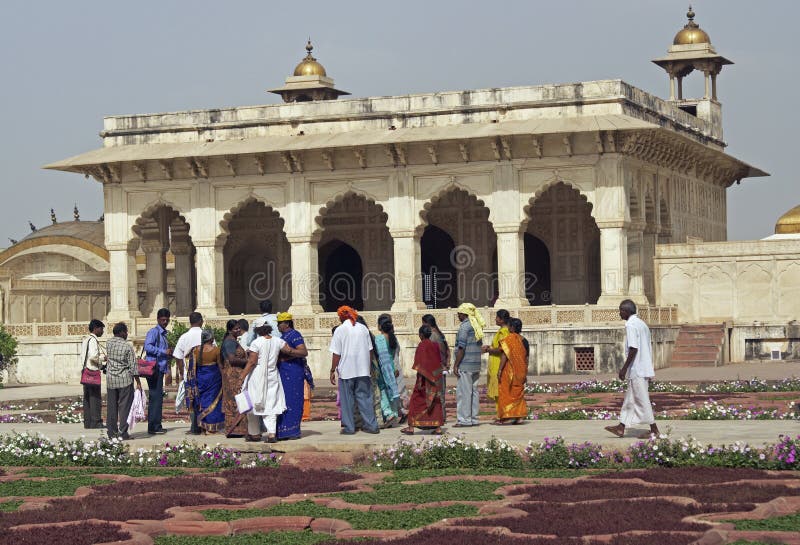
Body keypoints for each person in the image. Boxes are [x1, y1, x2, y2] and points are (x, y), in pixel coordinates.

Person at [605, 299, 661, 439]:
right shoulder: (642, 324)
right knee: (630, 399)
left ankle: (654, 430)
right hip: (643, 367)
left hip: (638, 369)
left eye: (621, 310)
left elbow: (634, 348)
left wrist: (624, 368)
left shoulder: (630, 324)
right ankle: (621, 427)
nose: (619, 313)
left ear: (627, 311)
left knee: (642, 399)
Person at [242, 323, 298, 443]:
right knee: (271, 403)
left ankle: (254, 433)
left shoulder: (256, 343)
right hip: (272, 375)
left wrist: (242, 376)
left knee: (252, 403)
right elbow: (289, 350)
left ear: (257, 330)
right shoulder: (278, 341)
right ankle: (271, 434)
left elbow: (252, 362)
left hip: (257, 376)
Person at [329, 306, 379, 435]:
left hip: (346, 371)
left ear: (341, 317)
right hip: (363, 370)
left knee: (347, 401)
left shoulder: (340, 330)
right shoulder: (363, 329)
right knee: (365, 398)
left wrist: (332, 369)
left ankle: (349, 427)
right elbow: (370, 350)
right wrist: (367, 367)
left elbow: (336, 353)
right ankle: (371, 426)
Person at [401, 325, 445, 435]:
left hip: (424, 380)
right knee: (435, 402)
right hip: (434, 379)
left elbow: (420, 364)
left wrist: (421, 380)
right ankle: (438, 427)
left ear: (421, 335)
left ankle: (411, 427)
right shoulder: (435, 345)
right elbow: (438, 362)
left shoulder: (421, 346)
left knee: (416, 401)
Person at [105, 322, 142, 440]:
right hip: (124, 380)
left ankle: (111, 432)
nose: (127, 334)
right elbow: (133, 366)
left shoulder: (108, 343)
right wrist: (138, 382)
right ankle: (123, 432)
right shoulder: (127, 346)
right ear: (121, 332)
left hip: (111, 380)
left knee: (112, 407)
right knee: (124, 407)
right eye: (126, 332)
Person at [276, 312, 309, 440]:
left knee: (293, 400)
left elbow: (303, 351)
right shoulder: (282, 336)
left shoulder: (294, 335)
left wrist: (289, 352)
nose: (278, 326)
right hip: (283, 372)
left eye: (280, 323)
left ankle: (293, 431)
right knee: (283, 401)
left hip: (293, 372)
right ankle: (284, 430)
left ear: (287, 323)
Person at [173, 312, 206, 435]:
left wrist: (182, 372)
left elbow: (177, 356)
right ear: (201, 321)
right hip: (205, 373)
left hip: (190, 374)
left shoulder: (184, 337)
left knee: (191, 399)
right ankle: (204, 424)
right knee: (204, 398)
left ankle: (195, 426)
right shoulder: (206, 335)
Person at [186, 329, 224, 434]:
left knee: (202, 402)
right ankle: (211, 429)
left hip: (200, 380)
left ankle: (203, 427)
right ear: (211, 338)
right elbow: (220, 366)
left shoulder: (195, 351)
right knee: (213, 403)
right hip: (214, 380)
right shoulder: (216, 350)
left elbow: (192, 368)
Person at [453, 303, 485, 428]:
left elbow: (461, 347)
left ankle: (464, 420)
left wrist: (456, 365)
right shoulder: (476, 326)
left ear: (464, 314)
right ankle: (474, 418)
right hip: (475, 364)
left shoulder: (465, 327)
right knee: (474, 392)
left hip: (465, 364)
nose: (458, 316)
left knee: (464, 393)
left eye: (459, 313)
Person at [143, 308, 172, 435]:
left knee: (157, 398)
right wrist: (163, 352)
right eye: (163, 320)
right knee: (155, 397)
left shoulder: (164, 335)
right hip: (154, 369)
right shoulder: (154, 332)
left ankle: (156, 425)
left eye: (167, 320)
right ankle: (153, 426)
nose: (165, 322)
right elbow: (147, 346)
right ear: (158, 319)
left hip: (160, 368)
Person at [493, 321, 528, 425]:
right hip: (521, 370)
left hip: (510, 371)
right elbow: (526, 357)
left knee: (506, 393)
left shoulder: (509, 339)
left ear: (512, 327)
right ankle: (519, 417)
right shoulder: (523, 340)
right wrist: (525, 371)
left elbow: (504, 355)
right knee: (518, 393)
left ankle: (506, 417)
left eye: (509, 326)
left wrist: (500, 370)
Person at [220, 319, 249, 437]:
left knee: (237, 400)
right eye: (235, 328)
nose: (238, 330)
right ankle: (234, 429)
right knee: (235, 401)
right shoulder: (230, 342)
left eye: (239, 328)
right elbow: (232, 359)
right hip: (233, 375)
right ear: (230, 330)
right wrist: (247, 361)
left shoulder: (233, 341)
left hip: (235, 374)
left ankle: (238, 429)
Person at [372, 316, 401, 428]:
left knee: (383, 390)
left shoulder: (379, 339)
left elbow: (378, 354)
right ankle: (393, 414)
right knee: (391, 391)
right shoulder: (393, 338)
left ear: (380, 327)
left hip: (382, 368)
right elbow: (394, 355)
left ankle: (388, 413)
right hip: (391, 367)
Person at [422, 314, 450, 422]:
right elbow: (447, 350)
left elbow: (431, 353)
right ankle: (441, 416)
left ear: (427, 324)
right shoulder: (439, 333)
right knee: (440, 393)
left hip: (435, 367)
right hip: (441, 366)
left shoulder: (432, 335)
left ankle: (439, 417)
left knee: (436, 394)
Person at [80, 319, 106, 429]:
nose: (102, 331)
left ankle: (88, 422)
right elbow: (93, 357)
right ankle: (96, 422)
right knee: (95, 398)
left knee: (87, 398)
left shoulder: (86, 340)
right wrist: (104, 358)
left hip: (85, 371)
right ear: (95, 329)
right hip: (92, 372)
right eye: (101, 329)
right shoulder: (93, 341)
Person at [482, 309, 511, 406]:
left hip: (499, 364)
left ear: (502, 320)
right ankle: (500, 415)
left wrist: (488, 350)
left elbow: (502, 349)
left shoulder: (504, 332)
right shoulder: (501, 331)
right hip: (495, 363)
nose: (495, 319)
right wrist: (490, 348)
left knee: (499, 391)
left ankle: (501, 416)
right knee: (497, 390)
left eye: (497, 317)